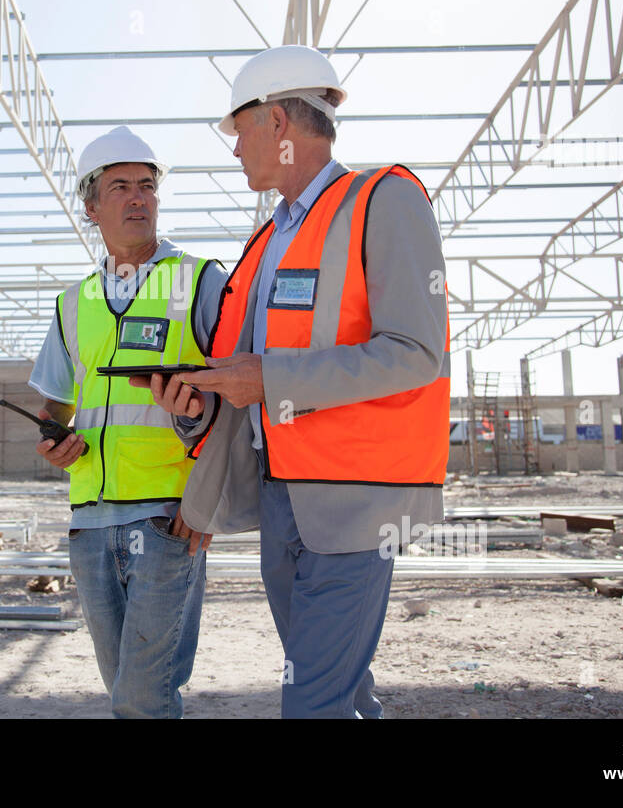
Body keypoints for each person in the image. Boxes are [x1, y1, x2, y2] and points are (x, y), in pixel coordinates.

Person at [151, 45, 451, 719]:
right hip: (280, 499)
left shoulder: (385, 201)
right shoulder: (267, 243)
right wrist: (193, 405)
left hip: (354, 503)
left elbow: (414, 353)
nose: (235, 151)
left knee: (312, 704)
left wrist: (271, 377)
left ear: (278, 124)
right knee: (338, 694)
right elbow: (245, 378)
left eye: (239, 130)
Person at [27, 125, 226, 719]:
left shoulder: (199, 281)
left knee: (142, 697)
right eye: (120, 187)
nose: (138, 198)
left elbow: (239, 397)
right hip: (90, 522)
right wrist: (53, 439)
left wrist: (209, 504)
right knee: (128, 692)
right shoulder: (73, 303)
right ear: (92, 208)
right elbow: (55, 407)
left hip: (170, 516)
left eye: (147, 186)